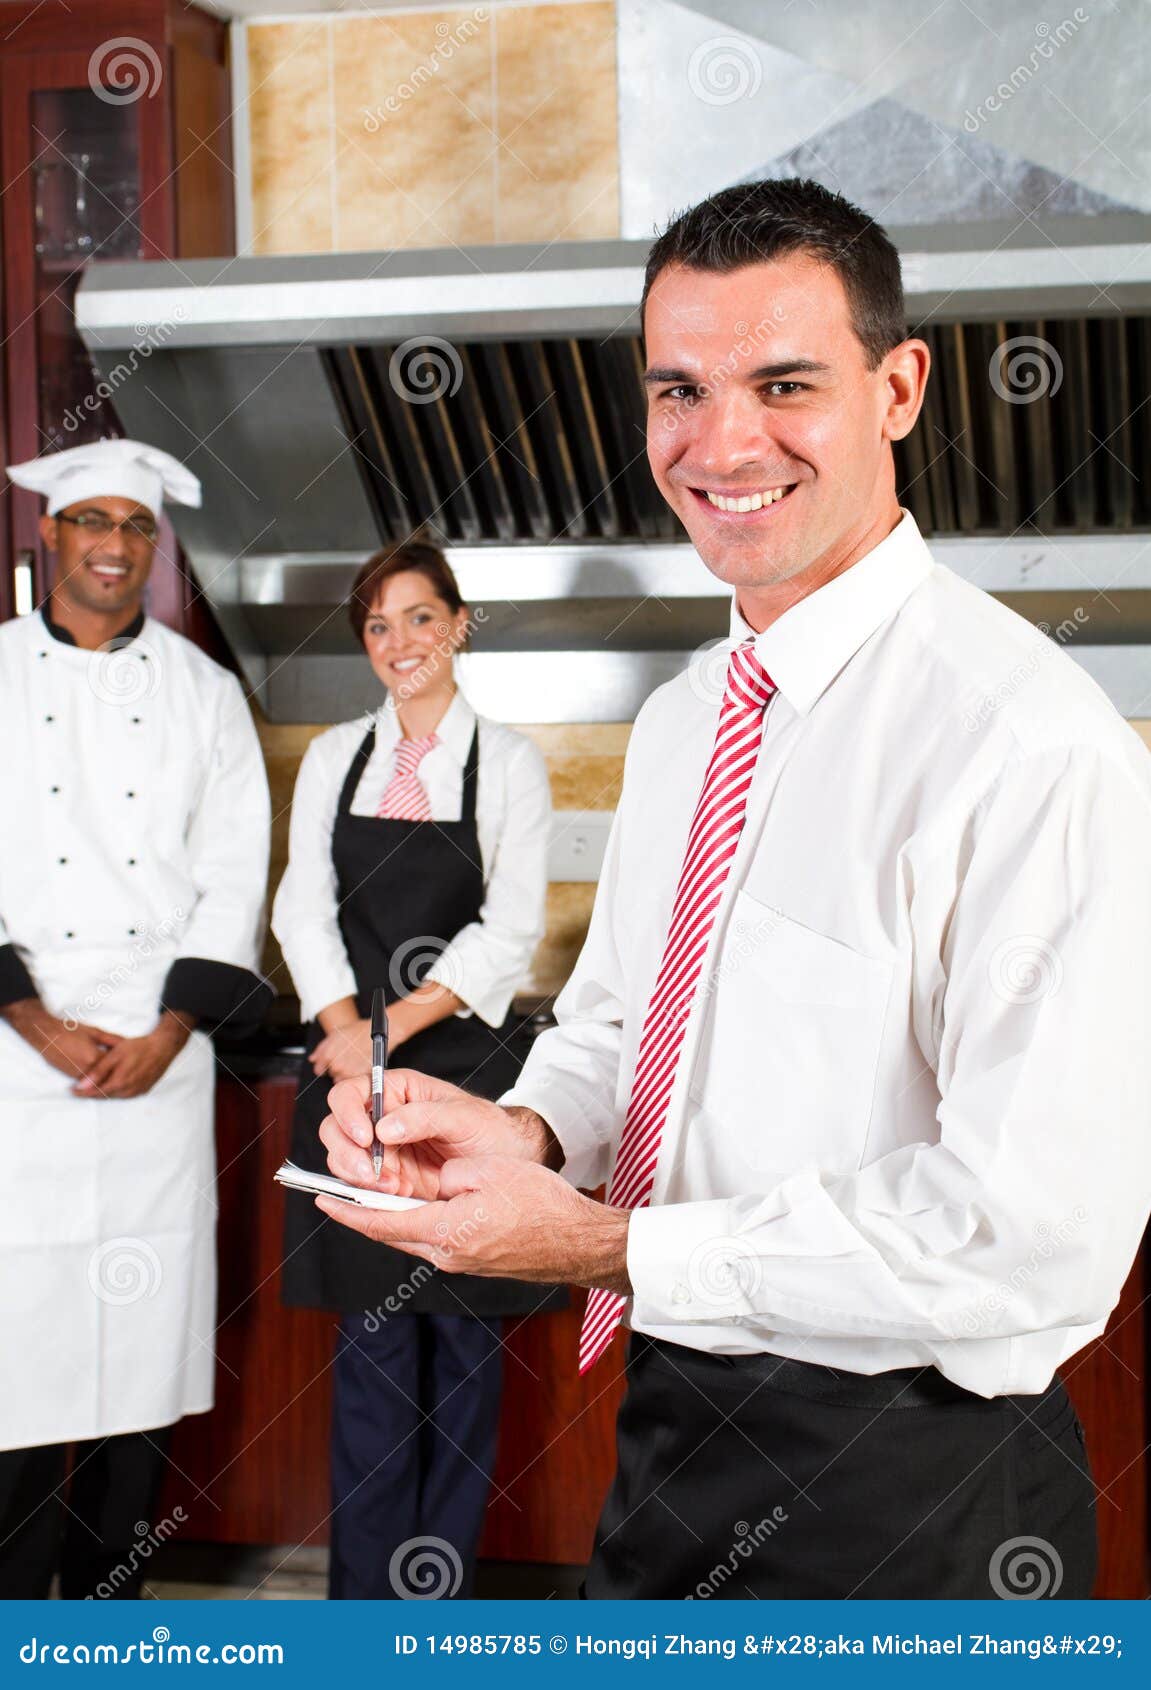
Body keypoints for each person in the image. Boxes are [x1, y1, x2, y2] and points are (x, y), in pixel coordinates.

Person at [314, 178, 1151, 1600]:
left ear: (896, 387)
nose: (720, 442)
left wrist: (599, 1242)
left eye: (781, 383)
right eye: (677, 390)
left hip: (914, 1488)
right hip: (669, 1430)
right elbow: (622, 1023)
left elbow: (1030, 1235)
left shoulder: (1025, 741)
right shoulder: (686, 714)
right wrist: (517, 1126)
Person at [0, 438, 272, 1598]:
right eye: (92, 522)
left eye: (137, 529)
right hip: (18, 1063)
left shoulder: (207, 694)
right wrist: (33, 1018)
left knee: (141, 1343)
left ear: (154, 551)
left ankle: (107, 1608)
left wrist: (168, 1030)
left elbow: (233, 869)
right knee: (18, 1348)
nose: (115, 545)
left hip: (164, 1057)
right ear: (51, 536)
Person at [271, 535, 564, 1601]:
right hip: (357, 1096)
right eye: (377, 625)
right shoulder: (333, 756)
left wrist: (380, 1027)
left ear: (457, 624)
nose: (400, 643)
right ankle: (365, 1618)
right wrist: (349, 1035)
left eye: (420, 618)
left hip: (469, 1081)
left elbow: (509, 930)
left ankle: (434, 1616)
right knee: (375, 1351)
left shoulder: (511, 763)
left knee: (466, 1351)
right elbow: (301, 906)